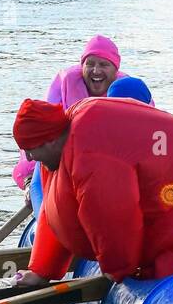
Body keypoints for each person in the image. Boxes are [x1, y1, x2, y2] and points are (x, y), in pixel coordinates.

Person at [10, 97, 173, 286]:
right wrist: (41, 269)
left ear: (49, 141)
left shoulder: (91, 151)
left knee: (161, 269)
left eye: (30, 150)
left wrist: (117, 270)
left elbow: (114, 216)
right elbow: (59, 206)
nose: (29, 158)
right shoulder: (62, 141)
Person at [12, 34, 134, 189]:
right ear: (82, 66)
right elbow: (38, 130)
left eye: (103, 64)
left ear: (116, 69)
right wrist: (29, 176)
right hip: (64, 157)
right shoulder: (65, 82)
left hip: (109, 162)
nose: (96, 70)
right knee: (36, 184)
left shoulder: (129, 90)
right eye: (90, 64)